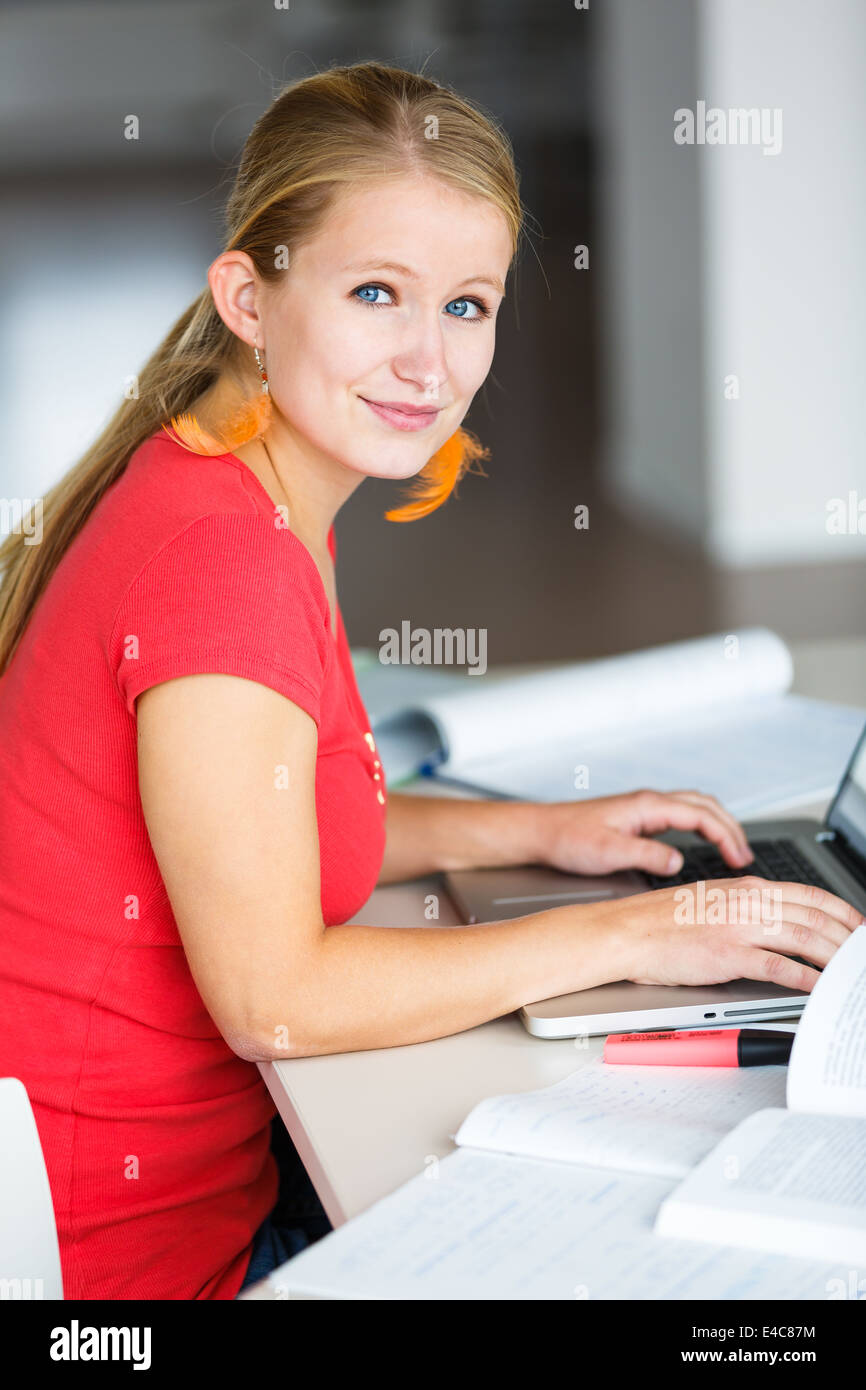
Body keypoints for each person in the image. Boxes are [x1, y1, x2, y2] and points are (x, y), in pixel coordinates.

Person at [0, 61, 860, 1302]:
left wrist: (542, 831)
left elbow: (264, 814)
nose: (425, 360)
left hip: (195, 1192)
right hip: (135, 1267)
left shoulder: (245, 473)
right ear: (248, 295)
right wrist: (630, 932)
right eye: (373, 293)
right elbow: (274, 1000)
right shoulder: (222, 562)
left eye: (467, 304)